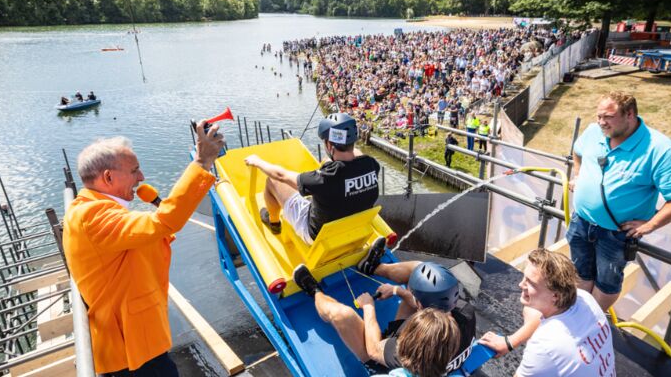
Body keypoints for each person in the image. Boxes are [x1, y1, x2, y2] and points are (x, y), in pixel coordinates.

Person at [62, 123, 225, 375]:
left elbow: (140, 239)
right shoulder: (90, 215)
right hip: (131, 354)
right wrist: (202, 162)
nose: (142, 178)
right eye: (135, 170)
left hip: (139, 343)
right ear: (108, 177)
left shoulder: (92, 208)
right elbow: (161, 223)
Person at [568, 91, 671, 310]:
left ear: (630, 114)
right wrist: (578, 176)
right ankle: (578, 312)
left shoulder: (661, 149)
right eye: (599, 116)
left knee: (607, 281)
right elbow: (578, 151)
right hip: (581, 222)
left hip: (616, 234)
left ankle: (593, 320)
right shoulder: (593, 132)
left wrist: (651, 224)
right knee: (580, 272)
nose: (601, 122)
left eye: (608, 117)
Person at [293, 244, 474, 375]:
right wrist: (397, 291)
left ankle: (314, 291)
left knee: (343, 315)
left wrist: (368, 307)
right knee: (420, 269)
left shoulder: (411, 348)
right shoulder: (467, 314)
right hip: (429, 353)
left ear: (420, 305)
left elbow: (373, 350)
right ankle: (373, 267)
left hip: (389, 361)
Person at [244, 113, 380, 245]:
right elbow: (354, 158)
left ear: (329, 145)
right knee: (327, 169)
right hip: (352, 228)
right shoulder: (372, 165)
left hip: (316, 234)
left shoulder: (325, 179)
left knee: (273, 181)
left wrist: (257, 161)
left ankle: (273, 222)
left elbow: (281, 175)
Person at [480, 249, 614, 377]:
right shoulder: (585, 298)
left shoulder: (545, 344)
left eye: (530, 283)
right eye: (524, 277)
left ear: (555, 296)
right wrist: (509, 342)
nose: (521, 285)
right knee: (530, 310)